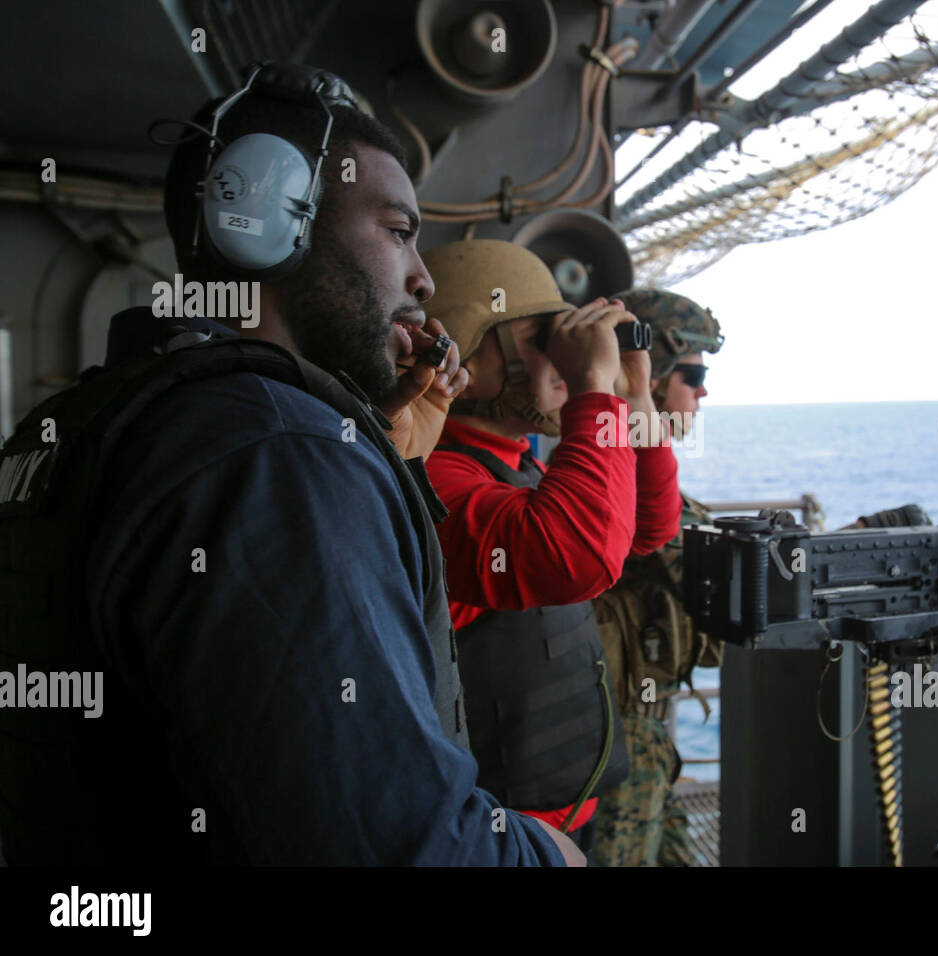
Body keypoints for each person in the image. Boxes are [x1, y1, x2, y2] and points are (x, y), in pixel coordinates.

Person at [0, 64, 580, 866]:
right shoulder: (276, 452)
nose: (424, 278)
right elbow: (388, 846)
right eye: (398, 230)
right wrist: (551, 856)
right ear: (271, 218)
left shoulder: (93, 418)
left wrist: (373, 444)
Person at [419, 240, 681, 848]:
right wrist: (594, 386)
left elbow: (648, 530)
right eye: (545, 340)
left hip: (558, 813)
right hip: (493, 832)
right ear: (467, 358)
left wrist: (634, 397)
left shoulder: (513, 468)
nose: (567, 357)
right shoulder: (436, 478)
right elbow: (577, 554)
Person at [585, 289, 725, 867]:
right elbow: (718, 573)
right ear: (656, 367)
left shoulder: (624, 464)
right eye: (692, 374)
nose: (702, 391)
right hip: (618, 735)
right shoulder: (620, 473)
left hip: (641, 726)